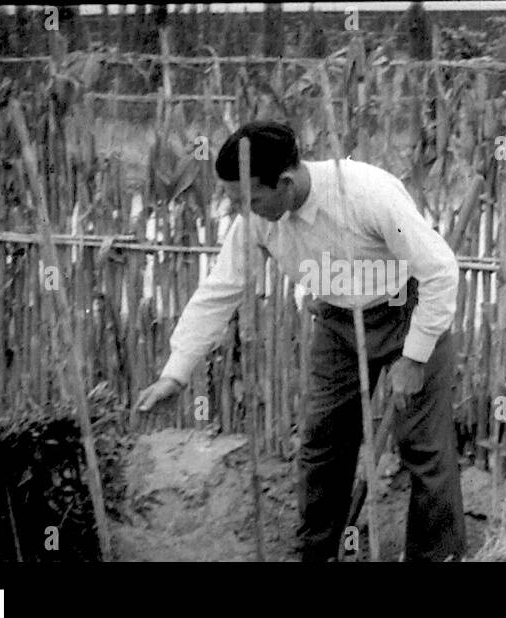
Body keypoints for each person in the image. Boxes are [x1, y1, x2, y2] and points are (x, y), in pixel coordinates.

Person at [135, 121, 466, 561]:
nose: (241, 212)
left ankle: (436, 557)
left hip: (408, 308)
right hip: (336, 321)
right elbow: (221, 289)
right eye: (233, 201)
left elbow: (440, 270)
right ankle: (317, 552)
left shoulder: (368, 195)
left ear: (285, 183)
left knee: (424, 449)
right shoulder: (255, 219)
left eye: (248, 200)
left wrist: (416, 357)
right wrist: (175, 373)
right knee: (322, 442)